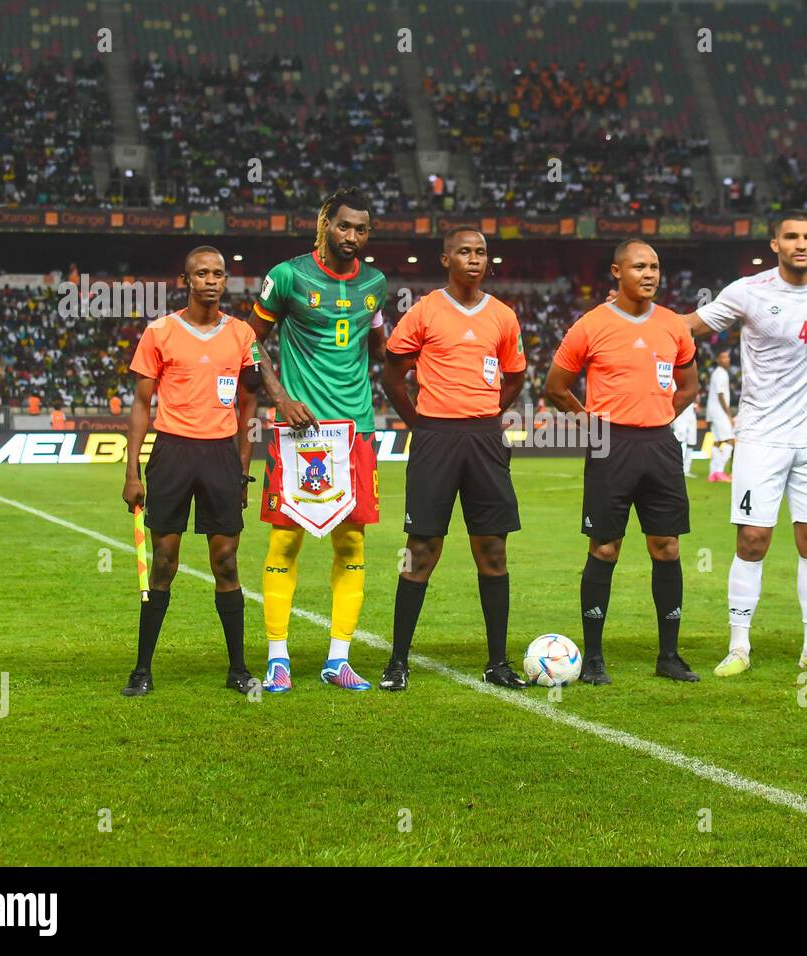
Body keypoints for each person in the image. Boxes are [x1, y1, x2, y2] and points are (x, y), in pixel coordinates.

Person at [683, 211, 807, 678]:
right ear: (775, 244)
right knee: (753, 538)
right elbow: (688, 326)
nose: (801, 244)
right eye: (792, 237)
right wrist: (634, 314)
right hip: (760, 437)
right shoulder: (747, 291)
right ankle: (739, 646)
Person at [120, 246, 287, 697]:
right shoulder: (160, 332)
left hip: (220, 458)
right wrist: (132, 472)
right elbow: (141, 404)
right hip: (172, 453)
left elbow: (250, 402)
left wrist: (243, 469)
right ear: (186, 280)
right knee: (165, 563)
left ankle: (237, 669)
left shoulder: (242, 336)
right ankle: (142, 670)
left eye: (218, 273)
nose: (211, 280)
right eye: (202, 274)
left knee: (226, 562)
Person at [248, 188, 387, 693]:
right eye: (345, 226)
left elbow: (377, 345)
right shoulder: (287, 277)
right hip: (300, 432)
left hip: (356, 433)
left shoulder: (375, 283)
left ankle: (338, 659)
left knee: (352, 541)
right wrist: (280, 397)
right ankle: (278, 657)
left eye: (362, 229)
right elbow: (249, 341)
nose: (353, 237)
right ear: (326, 223)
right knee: (285, 540)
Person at [378, 226, 529, 691]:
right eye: (464, 251)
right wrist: (420, 422)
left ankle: (497, 662)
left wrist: (486, 415)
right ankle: (398, 661)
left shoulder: (503, 317)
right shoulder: (424, 311)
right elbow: (392, 375)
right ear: (446, 260)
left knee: (493, 550)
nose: (474, 258)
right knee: (421, 549)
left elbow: (516, 377)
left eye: (481, 252)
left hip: (484, 438)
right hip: (435, 438)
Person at [545, 239, 700, 684]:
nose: (649, 274)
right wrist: (592, 425)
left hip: (660, 445)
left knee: (666, 546)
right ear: (617, 272)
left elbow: (689, 385)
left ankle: (668, 656)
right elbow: (557, 387)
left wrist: (663, 416)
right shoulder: (590, 326)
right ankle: (593, 657)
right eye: (639, 267)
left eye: (654, 266)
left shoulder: (673, 325)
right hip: (610, 446)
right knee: (605, 548)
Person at [705, 349, 735, 482]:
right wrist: (729, 415)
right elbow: (720, 394)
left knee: (717, 441)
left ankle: (713, 473)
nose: (726, 360)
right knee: (730, 440)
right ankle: (719, 471)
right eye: (723, 358)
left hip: (713, 412)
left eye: (727, 357)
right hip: (719, 412)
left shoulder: (718, 373)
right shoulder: (721, 374)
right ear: (718, 360)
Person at [671, 390, 698, 477]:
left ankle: (686, 469)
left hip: (691, 414)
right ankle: (674, 467)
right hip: (681, 414)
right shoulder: (674, 381)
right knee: (679, 440)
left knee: (691, 442)